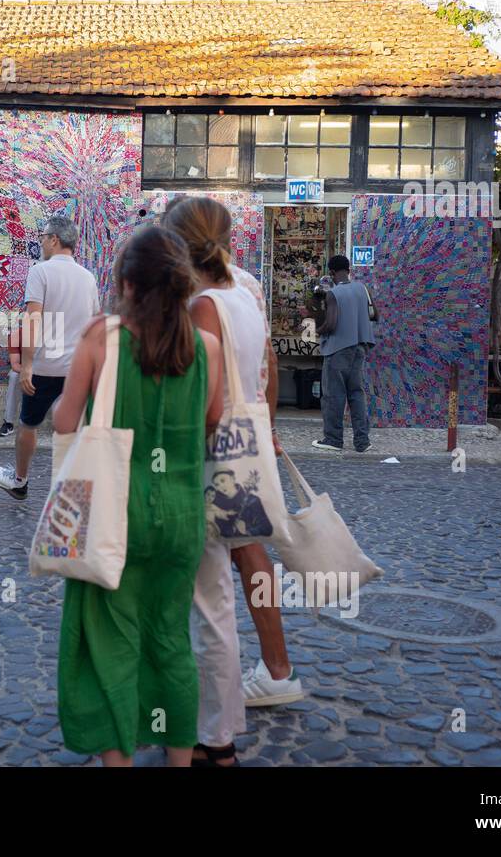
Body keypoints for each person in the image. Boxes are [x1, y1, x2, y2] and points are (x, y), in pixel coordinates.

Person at [52, 226, 224, 767]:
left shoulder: (101, 337)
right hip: (179, 517)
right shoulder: (208, 347)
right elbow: (211, 422)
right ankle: (178, 759)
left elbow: (62, 420)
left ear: (127, 283)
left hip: (110, 517)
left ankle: (119, 761)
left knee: (111, 641)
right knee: (171, 640)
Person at [166, 196, 304, 769]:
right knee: (231, 580)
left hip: (211, 457)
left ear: (178, 245)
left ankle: (212, 736)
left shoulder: (201, 306)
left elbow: (203, 404)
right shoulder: (244, 294)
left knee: (209, 599)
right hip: (245, 449)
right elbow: (265, 373)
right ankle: (219, 724)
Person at [0, 217, 100, 498]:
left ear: (54, 239)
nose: (41, 241)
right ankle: (75, 487)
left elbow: (33, 319)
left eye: (43, 236)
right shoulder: (88, 278)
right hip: (77, 368)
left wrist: (26, 365)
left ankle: (20, 480)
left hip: (44, 367)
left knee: (28, 424)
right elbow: (94, 324)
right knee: (75, 429)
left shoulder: (41, 272)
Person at [313, 255, 375, 453]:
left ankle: (333, 439)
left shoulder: (334, 294)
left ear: (331, 273)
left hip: (338, 349)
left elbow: (331, 323)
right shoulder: (362, 289)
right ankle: (362, 441)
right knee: (356, 394)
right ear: (348, 269)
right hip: (360, 347)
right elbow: (376, 315)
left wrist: (318, 329)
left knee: (333, 395)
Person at [0, 320, 22, 438]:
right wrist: (29, 372)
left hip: (44, 370)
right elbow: (15, 365)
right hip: (24, 369)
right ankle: (8, 423)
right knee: (14, 376)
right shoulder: (17, 335)